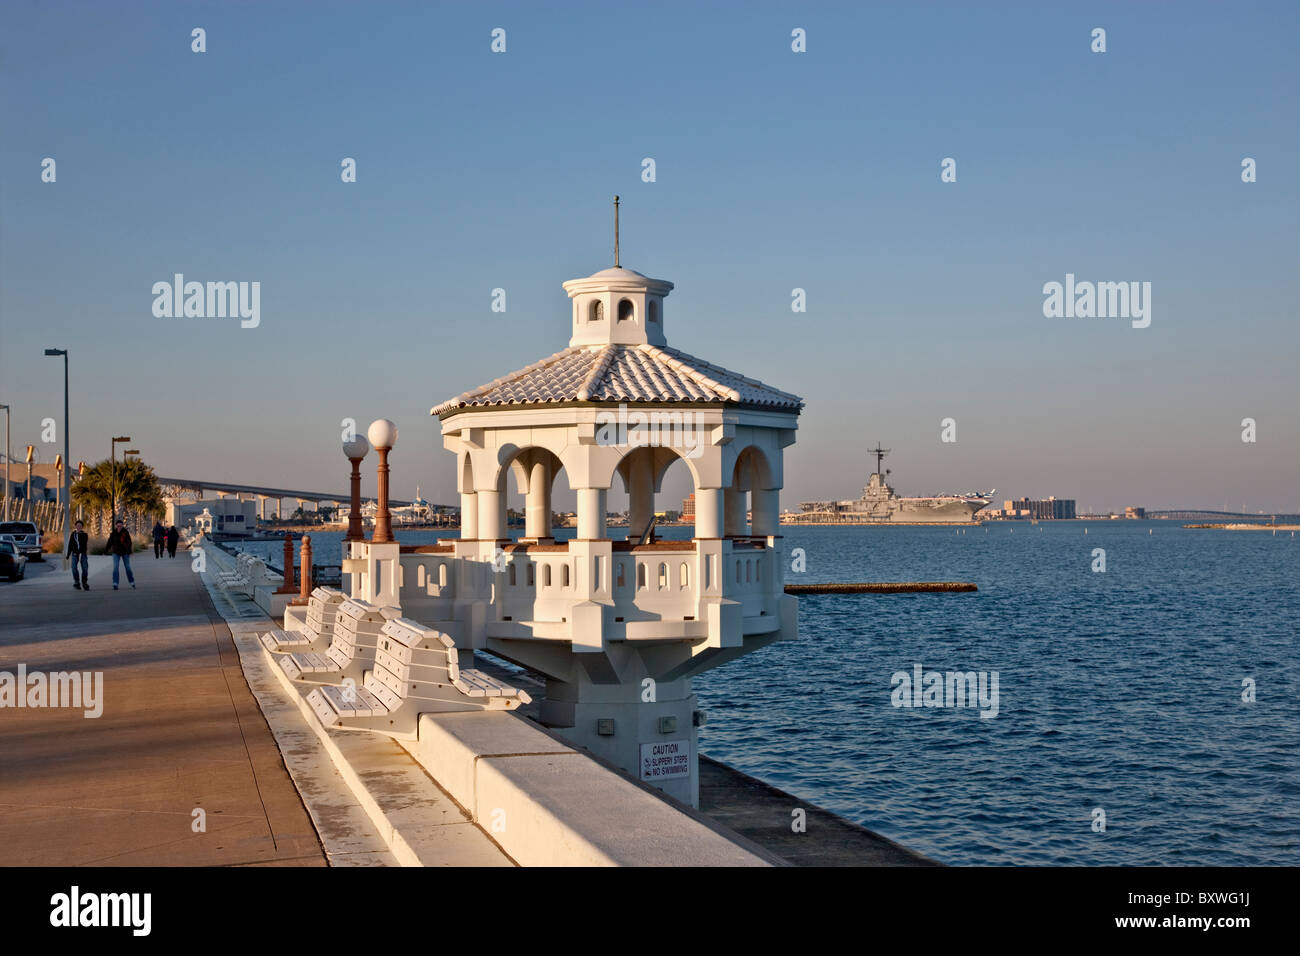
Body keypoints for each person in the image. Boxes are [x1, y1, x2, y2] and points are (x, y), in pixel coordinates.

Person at [107, 519, 136, 590]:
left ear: (122, 526)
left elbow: (129, 542)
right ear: (116, 526)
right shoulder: (113, 533)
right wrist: (106, 550)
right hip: (116, 553)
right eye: (118, 526)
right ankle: (115, 583)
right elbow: (110, 542)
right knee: (115, 568)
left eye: (120, 526)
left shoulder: (125, 532)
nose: (119, 527)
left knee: (128, 567)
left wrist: (129, 550)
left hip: (125, 552)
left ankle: (132, 582)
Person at [66, 519, 90, 590]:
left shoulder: (85, 535)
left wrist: (79, 534)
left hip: (83, 554)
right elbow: (70, 545)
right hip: (74, 554)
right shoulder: (73, 535)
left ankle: (84, 582)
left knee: (85, 569)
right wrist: (68, 554)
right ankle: (76, 582)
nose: (79, 527)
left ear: (82, 527)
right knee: (74, 568)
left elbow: (83, 543)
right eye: (77, 526)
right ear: (75, 526)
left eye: (80, 526)